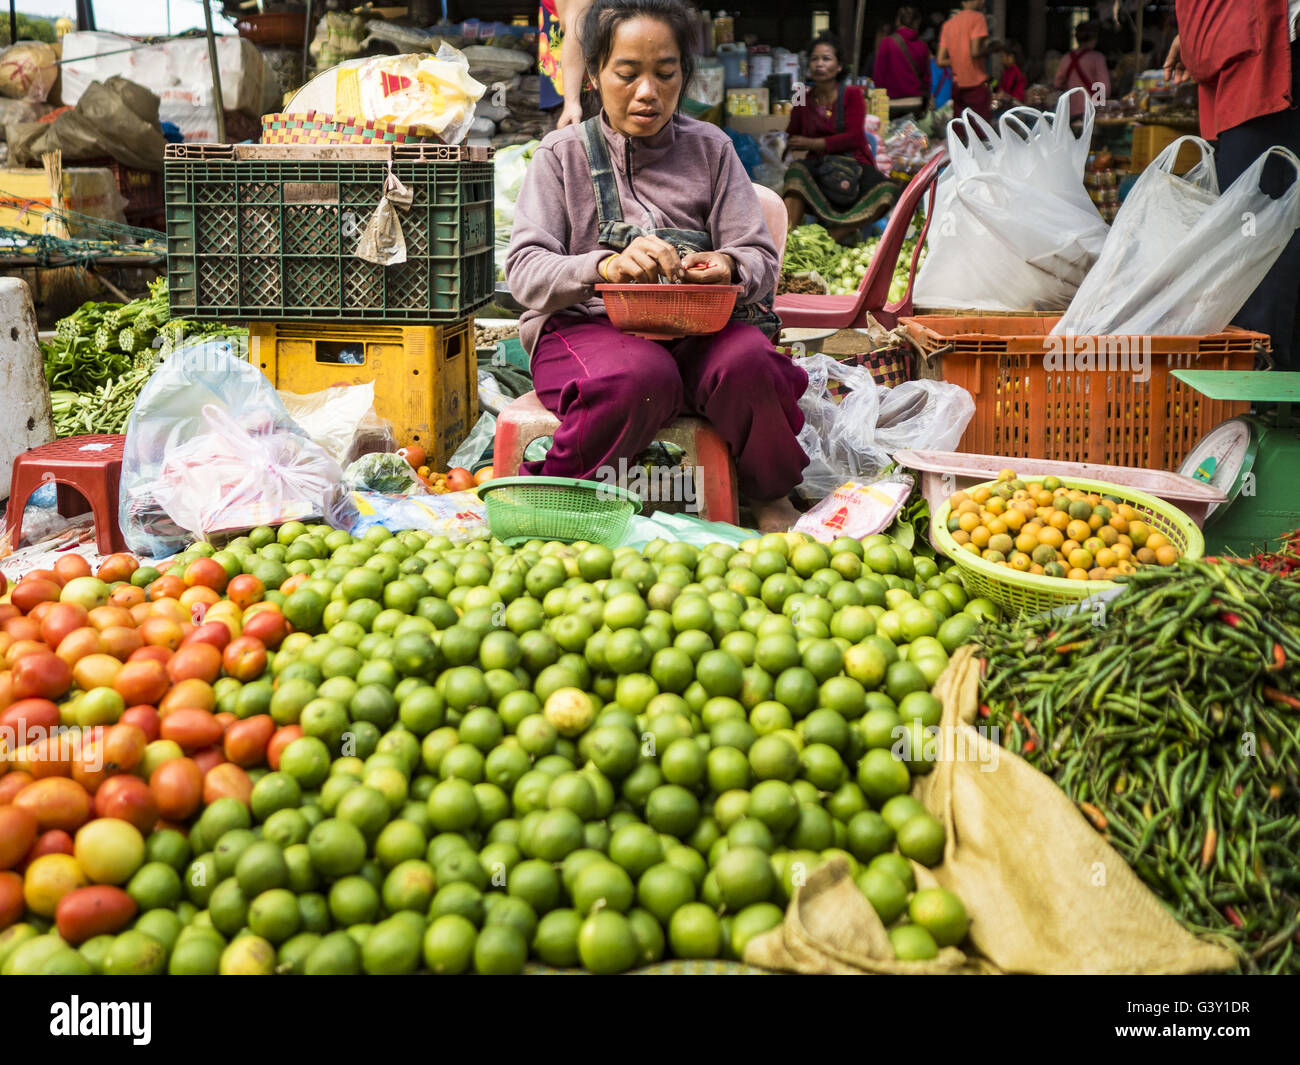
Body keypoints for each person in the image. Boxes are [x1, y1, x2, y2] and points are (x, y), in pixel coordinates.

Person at [507, 0, 809, 531]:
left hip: (700, 334)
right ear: (597, 76)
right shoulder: (560, 155)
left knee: (751, 366)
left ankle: (768, 495)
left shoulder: (711, 149)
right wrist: (603, 268)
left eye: (665, 74)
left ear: (683, 77)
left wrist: (729, 267)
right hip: (587, 330)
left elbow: (759, 257)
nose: (648, 92)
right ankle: (553, 502)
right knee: (639, 376)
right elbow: (526, 272)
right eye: (627, 74)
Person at [1166, 0, 1300, 369]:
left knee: (1264, 238)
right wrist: (1199, 33)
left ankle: (1267, 384)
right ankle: (1263, 379)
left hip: (1276, 61)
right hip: (1240, 60)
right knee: (1251, 234)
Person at [781, 34, 899, 239]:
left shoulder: (852, 94)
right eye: (814, 59)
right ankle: (786, 242)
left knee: (888, 191)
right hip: (818, 166)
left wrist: (811, 143)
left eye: (826, 59)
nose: (819, 64)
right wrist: (797, 99)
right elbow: (793, 133)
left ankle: (831, 236)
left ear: (838, 66)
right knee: (795, 174)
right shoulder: (803, 96)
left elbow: (852, 138)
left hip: (854, 164)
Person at [936, 0, 992, 120]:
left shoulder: (948, 24)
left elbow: (940, 61)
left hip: (958, 87)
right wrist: (992, 49)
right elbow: (975, 52)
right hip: (976, 85)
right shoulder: (978, 18)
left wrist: (959, 60)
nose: (983, 2)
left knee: (961, 131)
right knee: (981, 133)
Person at [873, 7, 933, 105]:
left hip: (891, 101)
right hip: (915, 101)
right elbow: (926, 78)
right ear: (916, 23)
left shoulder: (887, 42)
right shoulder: (922, 46)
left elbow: (879, 75)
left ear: (898, 21)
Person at [1054, 21, 1110, 117]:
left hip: (1070, 110)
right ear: (1094, 39)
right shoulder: (1097, 58)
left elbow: (1057, 83)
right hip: (1091, 110)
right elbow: (1104, 87)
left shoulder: (1066, 58)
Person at [995, 40, 1027, 105]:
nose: (1001, 60)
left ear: (1010, 57)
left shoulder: (1017, 73)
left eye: (1002, 56)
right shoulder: (1007, 71)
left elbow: (1017, 97)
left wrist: (1003, 96)